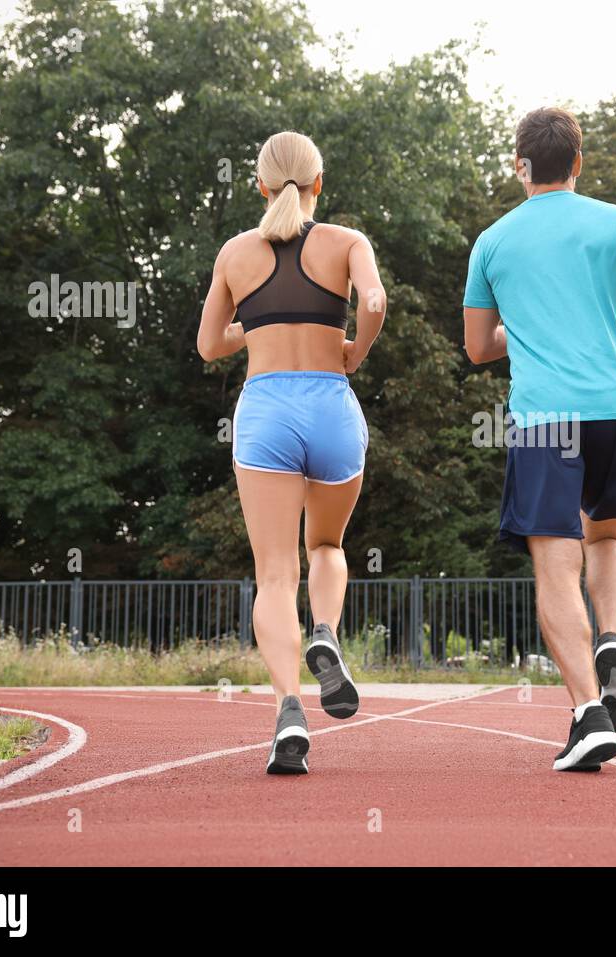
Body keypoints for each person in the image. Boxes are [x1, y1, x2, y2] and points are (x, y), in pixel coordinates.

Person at [463, 108, 616, 771]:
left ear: (519, 165)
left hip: (547, 419)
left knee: (555, 563)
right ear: (579, 163)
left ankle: (589, 713)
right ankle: (613, 637)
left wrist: (526, 331)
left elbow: (479, 347)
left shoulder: (493, 242)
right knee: (608, 536)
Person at [197, 130, 386, 774]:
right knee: (327, 547)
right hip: (332, 404)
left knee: (275, 576)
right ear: (318, 185)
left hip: (267, 410)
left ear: (259, 185)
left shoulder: (235, 254)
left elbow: (207, 346)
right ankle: (327, 634)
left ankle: (288, 715)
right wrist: (354, 352)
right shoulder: (346, 241)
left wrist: (258, 323)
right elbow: (377, 300)